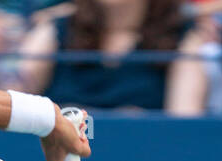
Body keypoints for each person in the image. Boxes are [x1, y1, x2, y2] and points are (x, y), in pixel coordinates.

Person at [13, 0, 188, 112]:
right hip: (57, 158)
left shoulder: (183, 35)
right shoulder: (55, 28)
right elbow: (13, 100)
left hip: (142, 154)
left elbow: (184, 123)